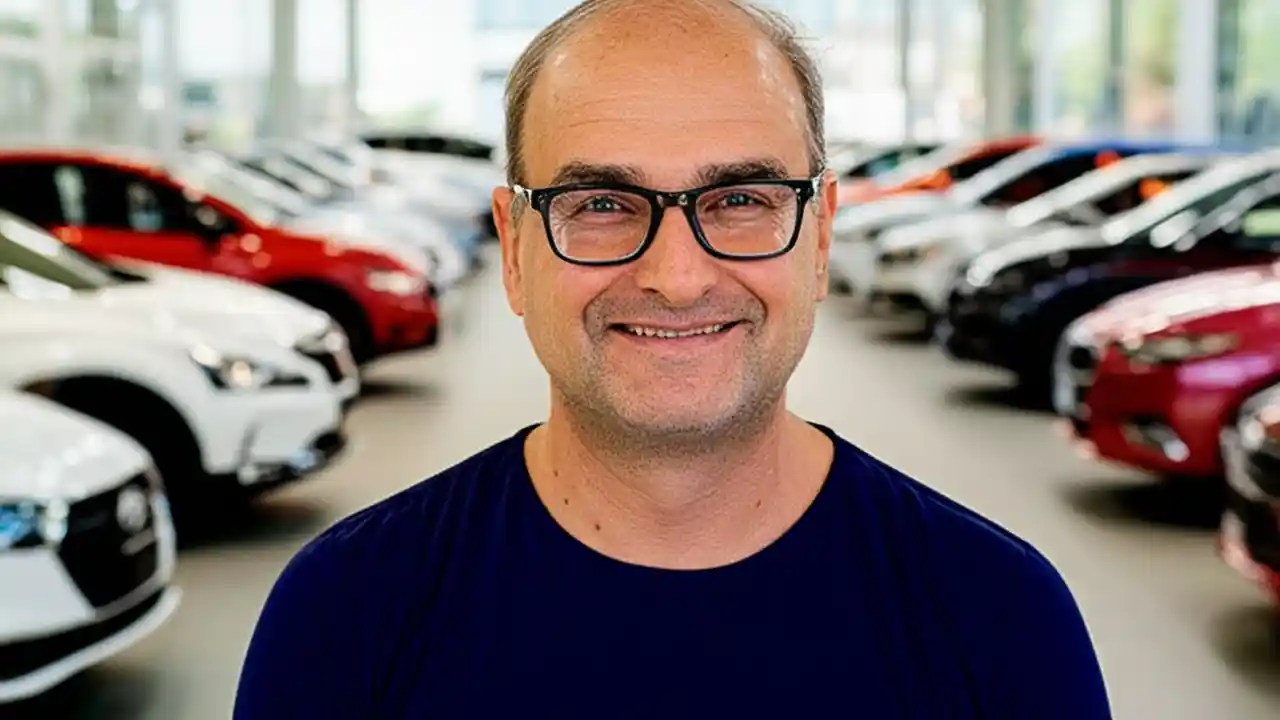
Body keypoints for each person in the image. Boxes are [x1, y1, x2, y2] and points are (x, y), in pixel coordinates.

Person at [233, 1, 1112, 717]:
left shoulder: (1001, 618)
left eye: (740, 198)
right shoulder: (346, 611)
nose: (678, 277)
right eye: (603, 202)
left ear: (818, 240)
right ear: (512, 247)